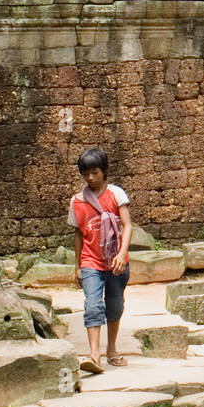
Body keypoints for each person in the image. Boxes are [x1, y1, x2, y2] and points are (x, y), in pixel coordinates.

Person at [69, 148, 133, 374]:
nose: (90, 178)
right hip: (90, 262)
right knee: (93, 305)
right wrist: (77, 266)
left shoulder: (116, 194)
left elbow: (127, 225)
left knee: (115, 306)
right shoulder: (77, 202)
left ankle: (112, 350)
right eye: (85, 173)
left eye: (94, 172)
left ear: (104, 171)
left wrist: (120, 254)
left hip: (116, 262)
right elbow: (78, 233)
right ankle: (94, 355)